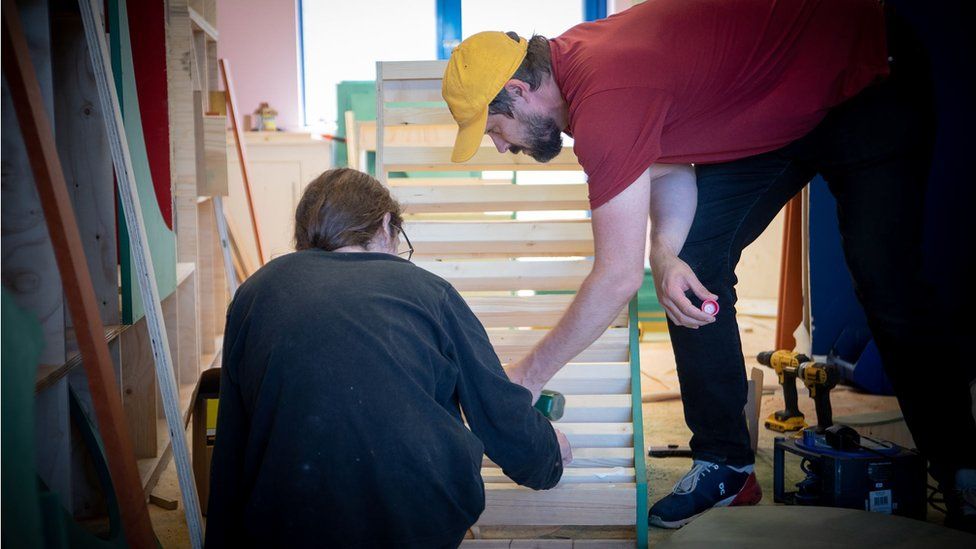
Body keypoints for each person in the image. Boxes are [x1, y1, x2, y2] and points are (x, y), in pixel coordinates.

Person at [441, 0, 975, 531]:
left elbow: (617, 278)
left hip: (866, 76)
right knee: (691, 272)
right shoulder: (576, 75)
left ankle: (963, 470)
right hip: (778, 109)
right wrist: (666, 254)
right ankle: (727, 464)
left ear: (517, 90)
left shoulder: (604, 93)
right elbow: (671, 167)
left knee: (888, 289)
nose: (499, 147)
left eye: (492, 129)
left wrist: (526, 378)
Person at [205, 168, 572, 548]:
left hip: (287, 523)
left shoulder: (255, 293)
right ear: (385, 226)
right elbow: (497, 413)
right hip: (415, 524)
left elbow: (232, 442)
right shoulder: (429, 292)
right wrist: (549, 457)